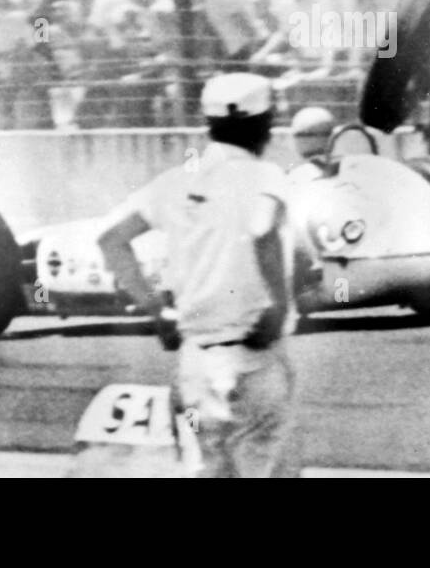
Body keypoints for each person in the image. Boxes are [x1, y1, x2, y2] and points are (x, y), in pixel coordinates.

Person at [95, 72, 297, 477]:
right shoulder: (267, 176)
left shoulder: (175, 181)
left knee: (204, 469)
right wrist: (277, 305)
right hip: (255, 362)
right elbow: (261, 231)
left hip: (195, 369)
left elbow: (111, 239)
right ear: (264, 126)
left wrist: (155, 310)